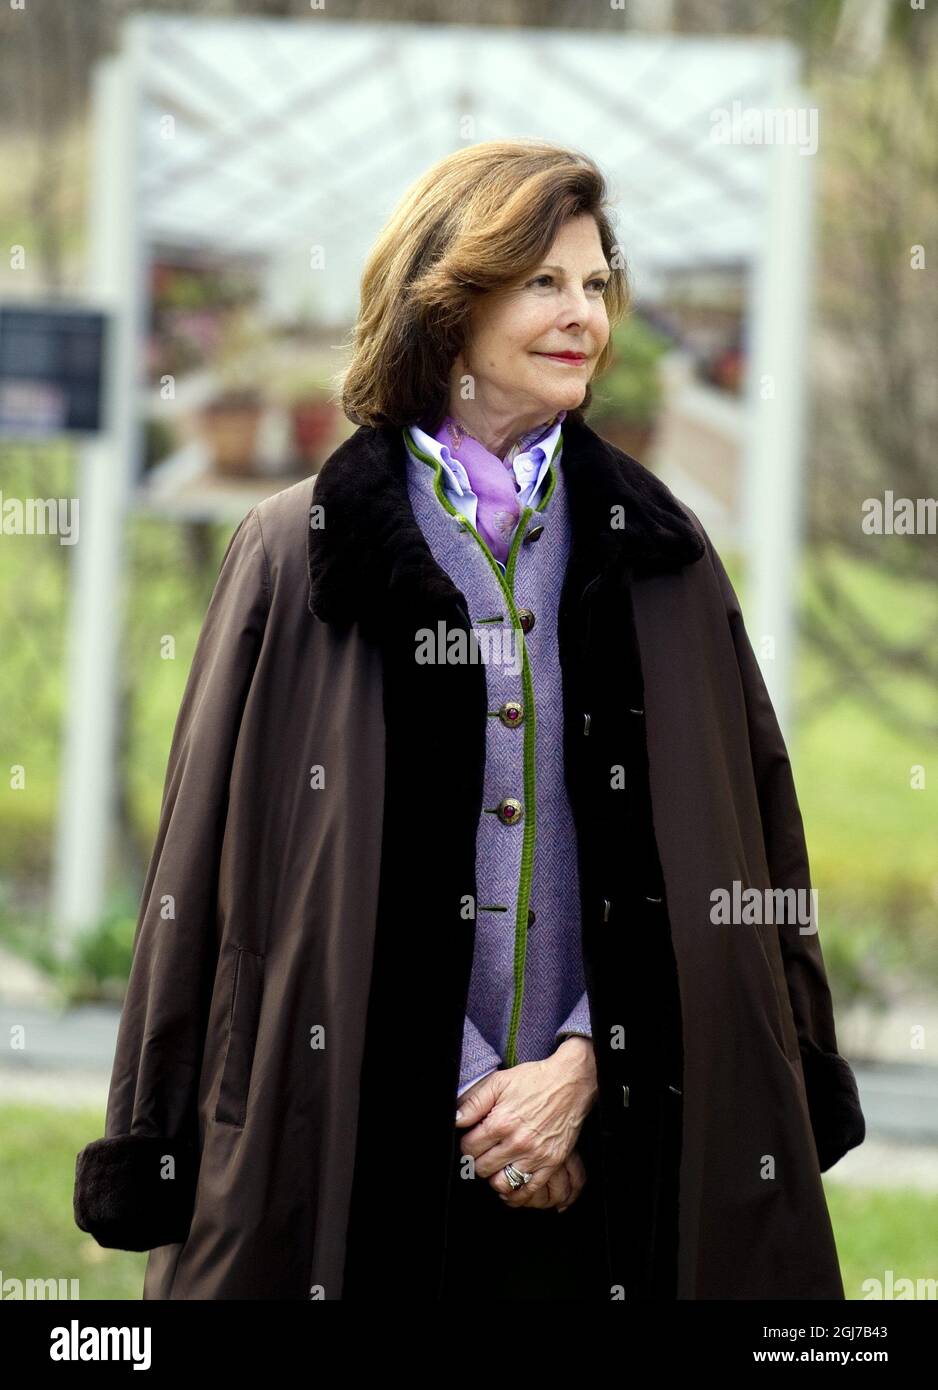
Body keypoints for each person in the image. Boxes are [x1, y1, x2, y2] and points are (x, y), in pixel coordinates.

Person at [74, 139, 865, 1300]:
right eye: (542, 280)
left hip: (613, 1173)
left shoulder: (666, 559)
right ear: (447, 298)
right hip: (350, 1145)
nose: (582, 313)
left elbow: (742, 859)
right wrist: (471, 1099)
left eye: (596, 285)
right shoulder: (294, 554)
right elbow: (199, 877)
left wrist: (586, 1064)